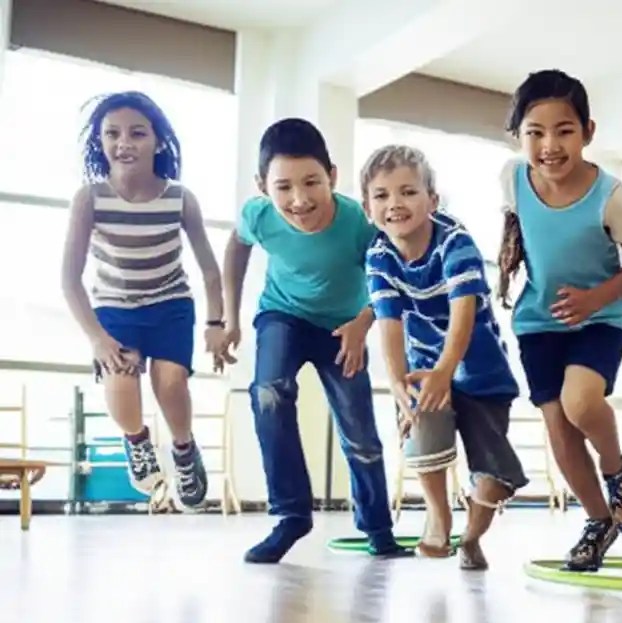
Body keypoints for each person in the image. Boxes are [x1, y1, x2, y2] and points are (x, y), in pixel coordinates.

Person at [210, 118, 409, 563]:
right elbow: (236, 248)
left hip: (343, 327)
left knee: (359, 433)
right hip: (283, 314)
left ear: (333, 177)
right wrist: (228, 317)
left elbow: (390, 277)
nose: (299, 200)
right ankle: (291, 516)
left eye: (311, 183)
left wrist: (363, 323)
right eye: (283, 187)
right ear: (262, 185)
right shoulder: (258, 215)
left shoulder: (359, 222)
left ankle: (378, 527)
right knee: (268, 392)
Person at [497, 69, 622, 572]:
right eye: (535, 132)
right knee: (559, 431)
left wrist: (594, 299)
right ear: (519, 135)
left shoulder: (610, 194)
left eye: (564, 130)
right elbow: (515, 222)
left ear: (588, 132)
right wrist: (506, 265)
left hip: (601, 317)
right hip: (537, 322)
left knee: (580, 402)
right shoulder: (511, 177)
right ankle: (598, 521)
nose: (550, 145)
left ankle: (619, 472)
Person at [362, 143, 529, 570]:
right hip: (425, 365)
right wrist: (399, 384)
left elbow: (463, 316)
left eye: (408, 192)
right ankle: (438, 515)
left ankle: (471, 539)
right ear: (368, 208)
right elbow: (388, 322)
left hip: (482, 372)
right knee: (424, 428)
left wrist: (444, 371)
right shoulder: (379, 257)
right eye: (381, 196)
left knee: (491, 478)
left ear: (432, 201)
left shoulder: (455, 243)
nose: (395, 204)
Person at [60, 91, 222, 510]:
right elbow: (69, 279)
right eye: (112, 134)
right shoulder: (89, 199)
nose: (124, 143)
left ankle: (184, 450)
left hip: (170, 303)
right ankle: (137, 442)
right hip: (113, 306)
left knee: (170, 381)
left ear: (158, 141)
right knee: (121, 377)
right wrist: (96, 338)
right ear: (100, 142)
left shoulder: (179, 197)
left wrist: (216, 324)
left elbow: (208, 268)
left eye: (137, 133)